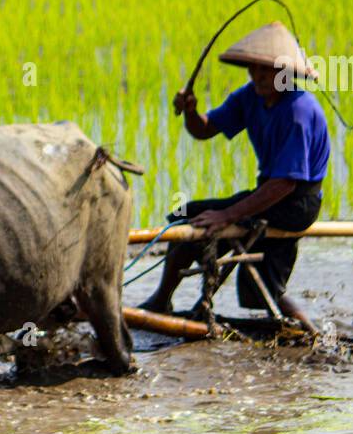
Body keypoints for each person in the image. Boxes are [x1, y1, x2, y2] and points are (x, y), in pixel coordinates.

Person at [139, 22, 330, 333]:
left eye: (266, 71)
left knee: (260, 283)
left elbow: (286, 183)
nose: (257, 77)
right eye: (253, 69)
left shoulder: (299, 111)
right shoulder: (250, 97)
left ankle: (312, 334)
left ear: (286, 73)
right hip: (269, 192)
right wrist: (190, 109)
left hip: (295, 202)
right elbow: (204, 129)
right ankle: (162, 299)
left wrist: (229, 214)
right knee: (184, 215)